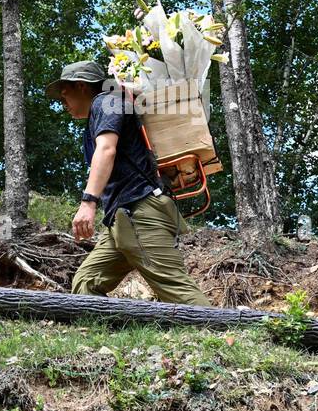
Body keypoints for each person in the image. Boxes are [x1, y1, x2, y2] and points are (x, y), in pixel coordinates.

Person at [46, 60, 210, 306]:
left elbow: (107, 150)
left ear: (81, 86)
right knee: (86, 282)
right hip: (122, 218)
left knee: (177, 291)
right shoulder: (104, 109)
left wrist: (88, 203)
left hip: (139, 211)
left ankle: (226, 338)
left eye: (64, 96)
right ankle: (108, 338)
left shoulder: (106, 102)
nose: (63, 105)